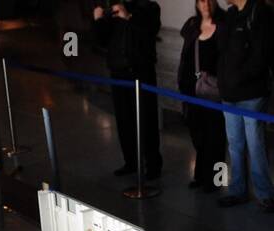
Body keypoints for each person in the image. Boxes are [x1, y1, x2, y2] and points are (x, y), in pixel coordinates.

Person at [216, 0, 274, 213]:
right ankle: (238, 190)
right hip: (229, 93)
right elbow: (224, 52)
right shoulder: (230, 14)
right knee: (235, 144)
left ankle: (265, 194)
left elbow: (260, 57)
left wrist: (237, 78)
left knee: (255, 144)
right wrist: (224, 81)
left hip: (251, 94)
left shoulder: (260, 13)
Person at [93, 1, 163, 180]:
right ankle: (130, 162)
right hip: (118, 74)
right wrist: (98, 19)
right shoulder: (114, 11)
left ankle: (153, 165)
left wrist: (128, 17)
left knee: (147, 120)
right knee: (124, 120)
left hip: (141, 74)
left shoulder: (149, 9)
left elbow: (148, 34)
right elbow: (101, 40)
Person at [177, 0, 227, 193]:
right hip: (191, 89)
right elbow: (186, 55)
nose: (205, 4)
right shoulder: (192, 25)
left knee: (216, 136)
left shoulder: (223, 26)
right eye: (201, 0)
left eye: (209, 0)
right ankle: (200, 175)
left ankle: (216, 180)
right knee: (198, 134)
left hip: (213, 90)